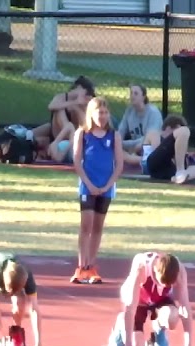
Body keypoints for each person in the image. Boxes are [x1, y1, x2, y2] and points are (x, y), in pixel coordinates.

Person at [71, 97, 121, 285]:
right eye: (99, 112)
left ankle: (92, 266)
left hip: (105, 187)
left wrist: (107, 186)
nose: (103, 116)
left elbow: (119, 164)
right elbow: (77, 160)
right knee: (86, 226)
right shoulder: (82, 134)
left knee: (98, 227)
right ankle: (81, 266)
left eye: (106, 113)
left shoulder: (113, 135)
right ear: (91, 114)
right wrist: (89, 184)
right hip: (88, 185)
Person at [107, 251, 195, 346]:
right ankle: (120, 327)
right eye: (162, 281)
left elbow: (185, 306)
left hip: (159, 300)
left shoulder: (179, 270)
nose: (164, 286)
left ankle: (157, 333)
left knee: (172, 316)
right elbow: (131, 308)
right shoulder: (142, 267)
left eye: (169, 284)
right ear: (155, 269)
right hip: (138, 300)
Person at [115, 84, 163, 156]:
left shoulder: (153, 113)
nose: (132, 96)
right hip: (133, 149)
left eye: (136, 93)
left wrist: (122, 144)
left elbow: (149, 139)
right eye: (131, 93)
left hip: (151, 150)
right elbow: (121, 130)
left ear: (143, 97)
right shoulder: (129, 110)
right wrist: (116, 140)